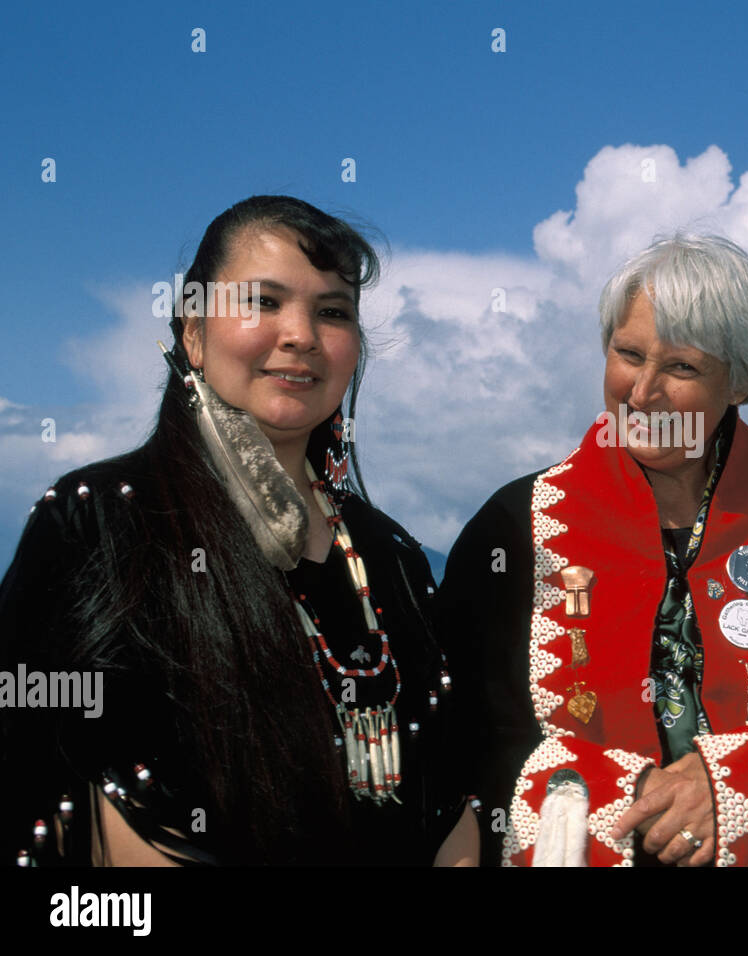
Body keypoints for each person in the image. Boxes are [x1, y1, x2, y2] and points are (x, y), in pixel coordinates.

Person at [0, 196, 476, 866]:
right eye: (264, 301)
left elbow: (446, 798)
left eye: (333, 312)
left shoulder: (390, 554)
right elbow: (73, 783)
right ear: (193, 331)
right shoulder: (99, 519)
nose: (301, 334)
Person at [435, 234, 748, 866]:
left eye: (681, 368)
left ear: (743, 383)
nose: (642, 393)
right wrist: (626, 795)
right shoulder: (515, 530)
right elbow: (459, 727)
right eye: (628, 353)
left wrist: (743, 786)